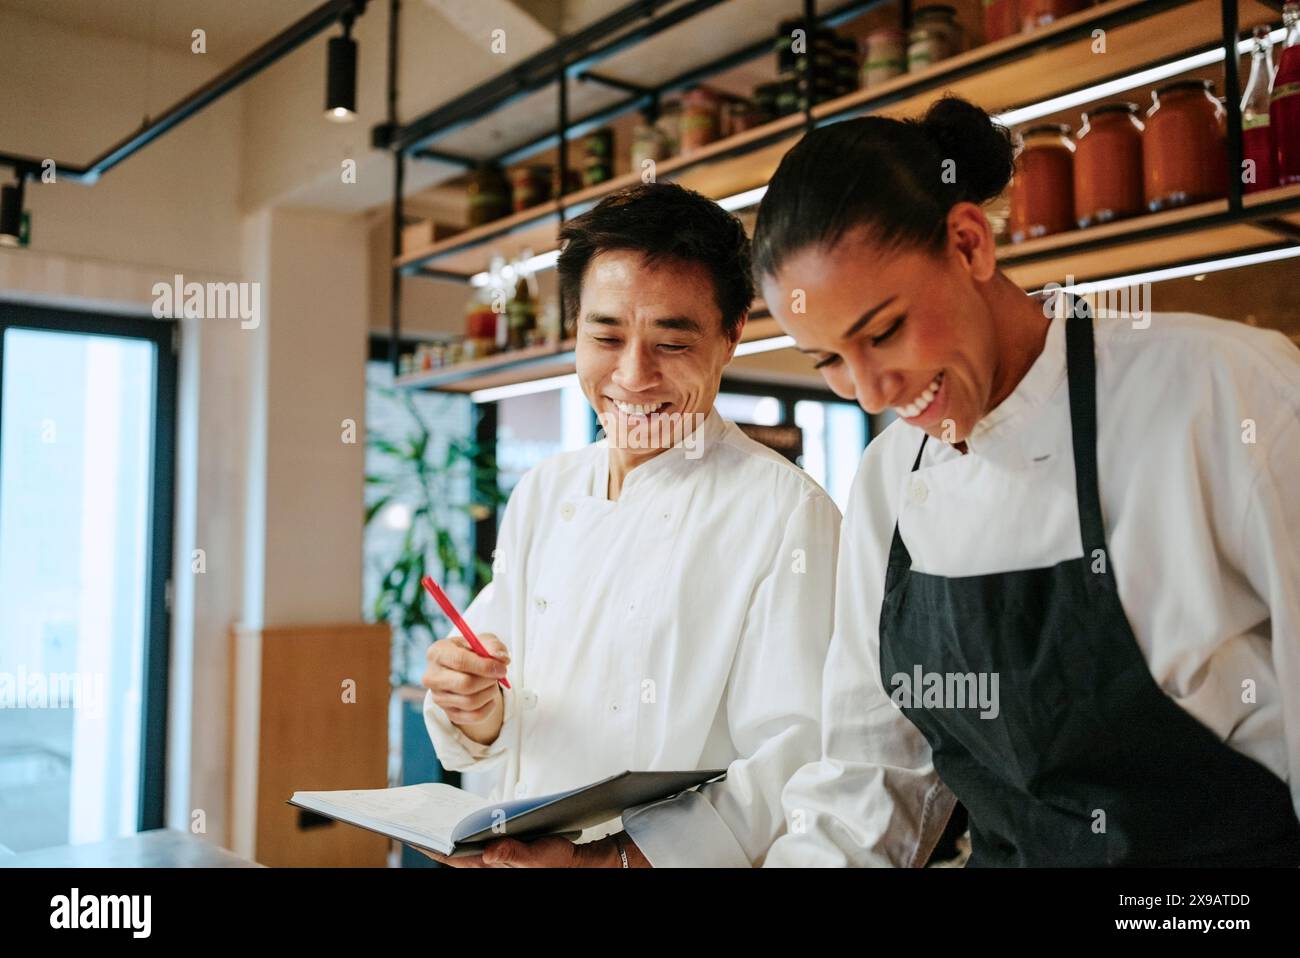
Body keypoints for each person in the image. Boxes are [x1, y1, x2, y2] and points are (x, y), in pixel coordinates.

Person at [751, 97, 1300, 866]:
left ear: (970, 244)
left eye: (883, 332)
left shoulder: (1223, 391)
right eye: (831, 361)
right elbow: (868, 780)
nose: (872, 392)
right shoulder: (887, 480)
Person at [421, 182, 840, 867]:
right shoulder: (544, 490)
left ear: (731, 336)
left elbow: (795, 764)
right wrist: (472, 701)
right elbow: (506, 697)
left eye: (671, 342)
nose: (632, 376)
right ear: (574, 329)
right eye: (606, 335)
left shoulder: (785, 514)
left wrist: (609, 862)